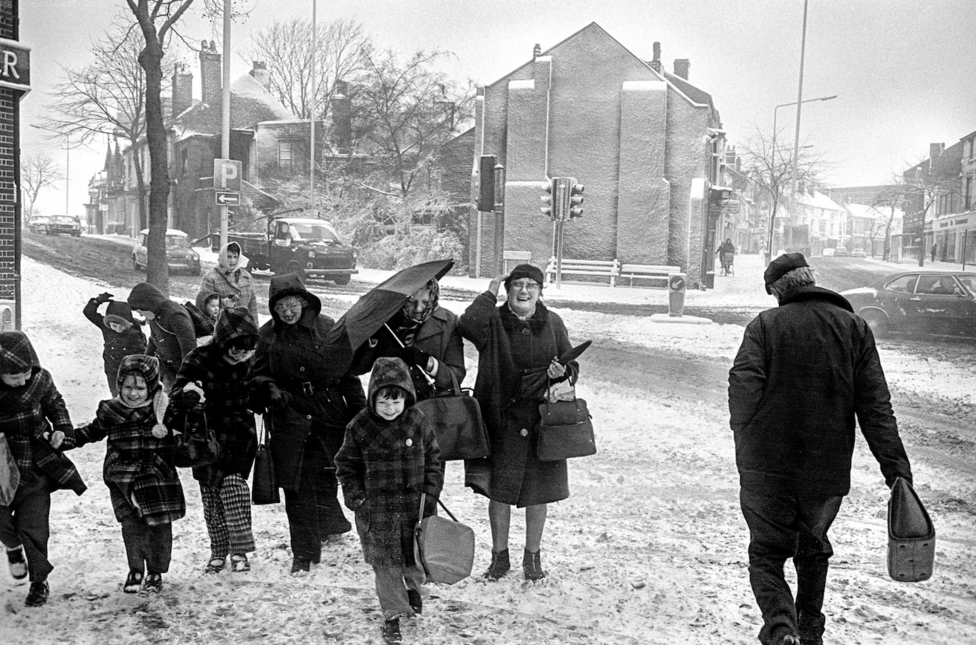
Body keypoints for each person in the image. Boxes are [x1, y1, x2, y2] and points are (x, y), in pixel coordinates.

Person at [728, 253, 914, 645]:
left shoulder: (765, 326)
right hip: (826, 470)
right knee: (813, 551)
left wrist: (746, 440)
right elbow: (875, 407)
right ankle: (810, 630)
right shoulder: (854, 328)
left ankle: (780, 627)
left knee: (766, 553)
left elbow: (742, 389)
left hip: (766, 466)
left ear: (779, 291)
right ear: (811, 279)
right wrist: (896, 469)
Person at [458, 263, 579, 582]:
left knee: (540, 493)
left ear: (540, 292)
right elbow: (467, 325)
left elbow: (572, 365)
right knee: (499, 491)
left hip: (541, 422)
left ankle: (533, 558)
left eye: (531, 286)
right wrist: (489, 290)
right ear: (508, 289)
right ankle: (499, 559)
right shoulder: (494, 320)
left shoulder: (553, 323)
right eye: (517, 285)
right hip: (500, 420)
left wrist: (561, 373)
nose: (524, 291)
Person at [249, 273, 367, 573]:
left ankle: (330, 523)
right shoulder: (267, 336)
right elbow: (256, 374)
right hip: (289, 417)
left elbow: (348, 375)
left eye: (291, 304)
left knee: (329, 475)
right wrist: (268, 387)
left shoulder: (328, 327)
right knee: (296, 487)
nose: (287, 311)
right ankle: (304, 554)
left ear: (303, 301)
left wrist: (361, 415)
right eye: (280, 306)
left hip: (329, 415)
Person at [335, 357, 443, 644]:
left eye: (396, 402)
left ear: (407, 397)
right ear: (373, 398)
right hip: (377, 513)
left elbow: (434, 457)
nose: (390, 409)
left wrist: (430, 492)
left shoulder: (417, 420)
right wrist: (357, 499)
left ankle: (413, 591)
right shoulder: (359, 426)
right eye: (383, 402)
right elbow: (345, 465)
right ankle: (392, 615)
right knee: (385, 566)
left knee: (414, 560)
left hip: (413, 509)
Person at [74, 355, 186, 595]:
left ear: (151, 386)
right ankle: (135, 569)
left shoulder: (164, 409)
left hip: (157, 477)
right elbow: (91, 432)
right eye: (127, 387)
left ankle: (155, 571)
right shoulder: (111, 411)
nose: (133, 393)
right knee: (131, 525)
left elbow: (187, 424)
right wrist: (66, 439)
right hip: (123, 478)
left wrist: (192, 401)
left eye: (140, 387)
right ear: (119, 385)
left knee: (159, 528)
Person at [167, 307, 259, 574]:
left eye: (247, 349)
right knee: (212, 498)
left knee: (234, 490)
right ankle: (218, 550)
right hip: (205, 438)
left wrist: (264, 388)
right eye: (236, 349)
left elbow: (259, 382)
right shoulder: (198, 358)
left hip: (240, 435)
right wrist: (188, 395)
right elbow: (176, 393)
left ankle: (239, 551)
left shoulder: (250, 360)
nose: (241, 355)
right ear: (222, 340)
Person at [0, 331, 87, 607]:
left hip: (35, 463)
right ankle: (13, 546)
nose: (23, 379)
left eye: (26, 372)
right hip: (1, 465)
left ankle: (39, 581)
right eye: (14, 376)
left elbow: (55, 405)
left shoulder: (41, 378)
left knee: (34, 526)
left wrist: (62, 430)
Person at [352, 277, 466, 403]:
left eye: (425, 302)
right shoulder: (386, 320)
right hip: (390, 407)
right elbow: (359, 368)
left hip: (431, 407)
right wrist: (373, 337)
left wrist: (428, 363)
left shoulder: (448, 323)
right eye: (411, 302)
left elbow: (457, 376)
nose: (418, 308)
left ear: (433, 298)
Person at [127, 282, 197, 392]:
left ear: (148, 305)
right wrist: (145, 362)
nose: (141, 315)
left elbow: (189, 347)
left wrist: (185, 377)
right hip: (167, 368)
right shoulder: (154, 316)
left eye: (140, 311)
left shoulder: (175, 315)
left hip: (181, 371)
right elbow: (153, 339)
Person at [83, 291, 148, 396]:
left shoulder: (133, 335)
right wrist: (97, 301)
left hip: (128, 372)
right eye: (114, 325)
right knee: (115, 394)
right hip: (111, 369)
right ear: (108, 323)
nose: (117, 329)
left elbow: (142, 354)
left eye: (121, 326)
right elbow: (88, 313)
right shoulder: (106, 327)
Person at [200, 242, 259, 323]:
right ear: (223, 257)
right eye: (229, 257)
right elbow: (204, 305)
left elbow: (252, 305)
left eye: (235, 257)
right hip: (222, 327)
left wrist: (255, 328)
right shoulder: (210, 277)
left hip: (244, 326)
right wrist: (224, 303)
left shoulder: (247, 276)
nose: (232, 260)